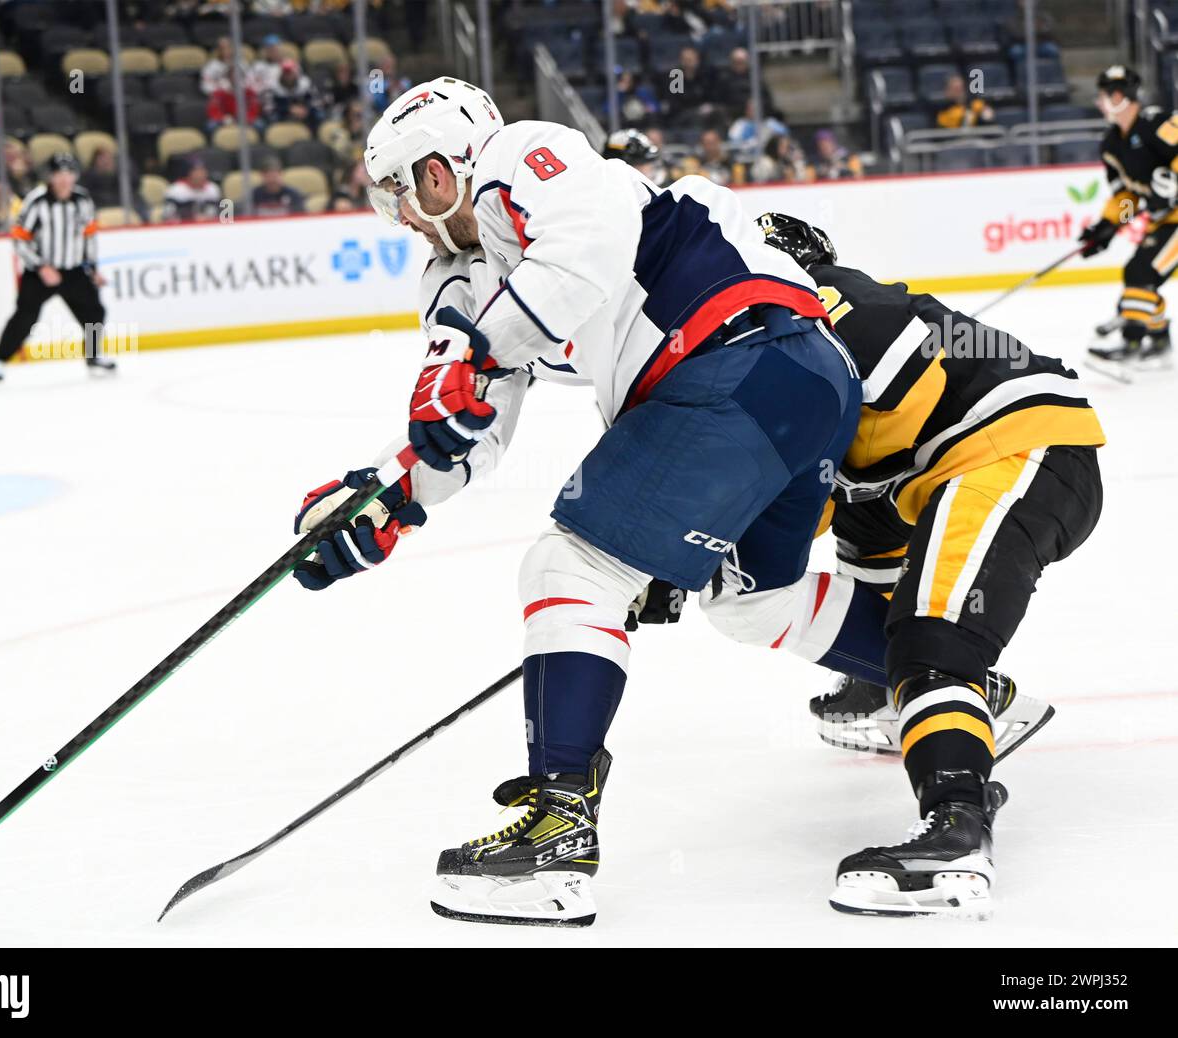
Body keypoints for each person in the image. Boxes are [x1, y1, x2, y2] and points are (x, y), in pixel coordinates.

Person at [294, 78, 863, 926]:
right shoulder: (466, 281)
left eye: (402, 191)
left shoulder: (520, 155)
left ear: (443, 168)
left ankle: (556, 835)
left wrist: (473, 353)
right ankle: (948, 684)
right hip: (803, 383)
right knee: (756, 602)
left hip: (732, 361)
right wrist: (383, 499)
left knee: (573, 565)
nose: (403, 217)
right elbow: (474, 429)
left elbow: (580, 261)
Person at [705, 212, 1105, 917]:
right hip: (970, 457)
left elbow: (877, 374)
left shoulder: (818, 300)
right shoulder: (785, 339)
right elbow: (818, 508)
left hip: (1019, 449)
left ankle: (957, 824)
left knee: (932, 643)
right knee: (870, 539)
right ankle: (890, 691)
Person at [1079, 65, 1178, 376]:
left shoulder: (1156, 124)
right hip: (1165, 222)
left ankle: (1132, 344)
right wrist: (1107, 226)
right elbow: (1127, 198)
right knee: (1138, 274)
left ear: (1118, 96)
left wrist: (1173, 181)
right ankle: (1159, 341)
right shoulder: (1111, 144)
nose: (1100, 102)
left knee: (1141, 273)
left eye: (1103, 96)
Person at [0, 153, 114, 380]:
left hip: (74, 270)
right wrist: (40, 267)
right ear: (51, 176)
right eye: (59, 174)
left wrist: (93, 268)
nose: (64, 179)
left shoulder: (82, 200)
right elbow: (19, 238)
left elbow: (89, 236)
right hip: (40, 273)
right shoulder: (37, 202)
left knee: (95, 312)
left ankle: (94, 356)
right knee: (25, 318)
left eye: (69, 174)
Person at [161, 158, 223, 222]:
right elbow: (167, 215)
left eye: (202, 170)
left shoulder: (212, 189)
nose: (200, 174)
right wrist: (192, 217)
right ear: (188, 173)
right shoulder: (175, 190)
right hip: (183, 227)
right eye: (196, 171)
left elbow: (220, 212)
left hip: (209, 226)